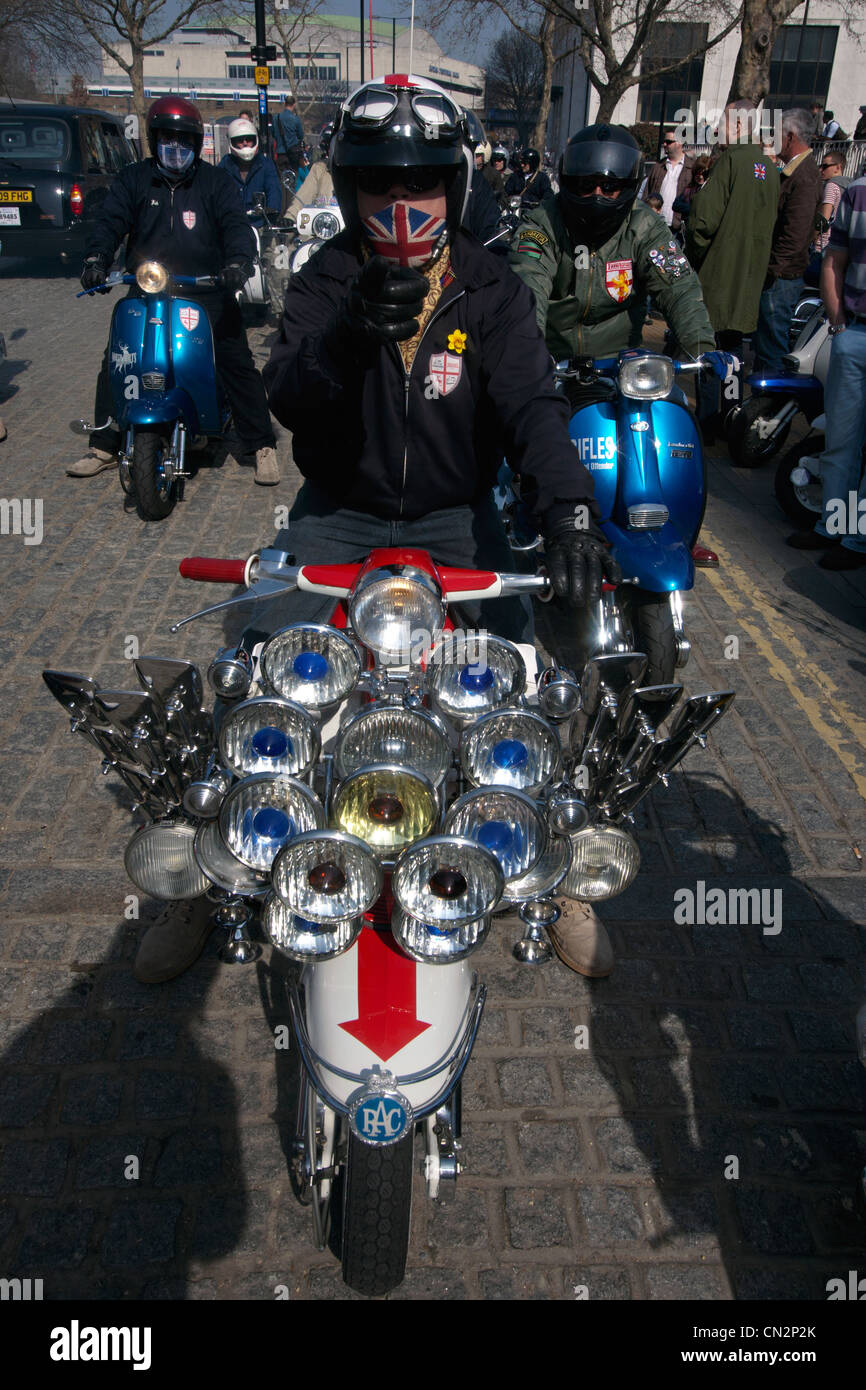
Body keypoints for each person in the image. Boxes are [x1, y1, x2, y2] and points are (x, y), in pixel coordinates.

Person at [132, 75, 622, 986]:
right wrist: (345, 340)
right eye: (379, 185)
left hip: (454, 519)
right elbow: (286, 398)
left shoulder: (493, 288)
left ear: (455, 186)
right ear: (351, 187)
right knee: (251, 666)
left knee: (531, 683)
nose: (401, 205)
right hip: (339, 515)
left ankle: (558, 879)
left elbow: (534, 409)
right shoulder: (325, 279)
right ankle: (204, 881)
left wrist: (571, 515)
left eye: (422, 183)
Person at [508, 124, 731, 570]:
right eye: (586, 184)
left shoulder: (646, 228)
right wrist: (527, 357)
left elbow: (680, 286)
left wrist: (704, 349)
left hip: (625, 365)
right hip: (556, 363)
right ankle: (523, 518)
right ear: (566, 182)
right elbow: (526, 289)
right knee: (524, 434)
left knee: (677, 417)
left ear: (628, 187)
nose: (597, 195)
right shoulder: (541, 225)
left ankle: (684, 529)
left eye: (610, 186)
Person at [67, 96, 280, 486]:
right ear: (154, 139)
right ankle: (104, 441)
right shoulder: (134, 178)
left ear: (196, 144)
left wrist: (237, 264)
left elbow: (235, 225)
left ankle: (261, 444)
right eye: (167, 138)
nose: (175, 147)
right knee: (119, 357)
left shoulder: (214, 182)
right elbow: (111, 221)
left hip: (206, 289)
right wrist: (96, 259)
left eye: (183, 140)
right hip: (147, 289)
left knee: (235, 359)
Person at [685, 99, 780, 437]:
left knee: (709, 354)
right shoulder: (770, 169)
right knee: (735, 356)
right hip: (750, 280)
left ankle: (708, 425)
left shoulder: (728, 163)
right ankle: (731, 417)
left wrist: (696, 256)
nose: (716, 129)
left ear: (739, 125)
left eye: (723, 121)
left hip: (718, 277)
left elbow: (701, 222)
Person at [786, 176, 866, 570]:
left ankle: (857, 540)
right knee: (840, 439)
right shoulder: (857, 193)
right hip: (854, 332)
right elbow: (834, 260)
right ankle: (831, 526)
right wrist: (838, 324)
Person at [753, 109, 823, 375]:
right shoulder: (797, 171)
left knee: (772, 348)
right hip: (781, 273)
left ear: (790, 136)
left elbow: (795, 232)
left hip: (782, 276)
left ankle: (772, 409)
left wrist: (773, 269)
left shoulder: (803, 176)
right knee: (767, 344)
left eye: (777, 133)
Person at [218, 116, 282, 223]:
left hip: (260, 226)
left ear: (255, 140)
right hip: (232, 226)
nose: (245, 143)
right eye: (239, 140)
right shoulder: (224, 166)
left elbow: (274, 192)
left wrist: (272, 212)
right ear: (231, 142)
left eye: (249, 139)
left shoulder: (266, 164)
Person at [643, 129, 694, 231]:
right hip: (656, 225)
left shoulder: (692, 168)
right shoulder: (658, 167)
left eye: (669, 142)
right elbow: (646, 194)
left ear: (680, 143)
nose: (665, 144)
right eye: (664, 141)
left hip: (679, 228)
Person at [287, 122, 336, 219]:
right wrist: (290, 217)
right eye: (331, 145)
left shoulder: (361, 172)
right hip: (322, 227)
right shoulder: (320, 169)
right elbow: (303, 197)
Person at [274, 94, 305, 185]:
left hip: (280, 153)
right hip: (293, 154)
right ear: (294, 104)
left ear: (285, 103)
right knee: (293, 179)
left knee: (282, 180)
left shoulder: (277, 118)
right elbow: (300, 135)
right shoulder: (295, 119)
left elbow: (273, 134)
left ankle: (284, 197)